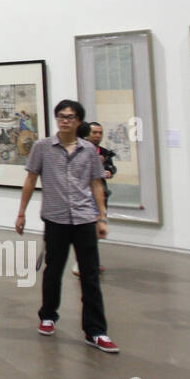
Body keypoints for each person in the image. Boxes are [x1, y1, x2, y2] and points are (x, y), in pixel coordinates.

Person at [15, 99, 118, 352]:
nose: (65, 120)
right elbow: (30, 179)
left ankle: (95, 330)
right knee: (53, 271)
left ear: (79, 121)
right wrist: (21, 213)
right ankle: (48, 315)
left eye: (70, 117)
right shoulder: (42, 147)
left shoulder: (88, 151)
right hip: (56, 218)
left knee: (90, 275)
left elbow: (96, 184)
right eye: (61, 116)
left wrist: (101, 217)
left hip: (84, 219)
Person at [73, 121, 115, 276]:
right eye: (94, 133)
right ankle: (81, 263)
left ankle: (90, 263)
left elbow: (110, 169)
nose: (97, 136)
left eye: (100, 133)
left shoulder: (103, 152)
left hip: (98, 196)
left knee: (94, 232)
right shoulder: (79, 151)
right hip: (84, 197)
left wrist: (108, 170)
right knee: (85, 232)